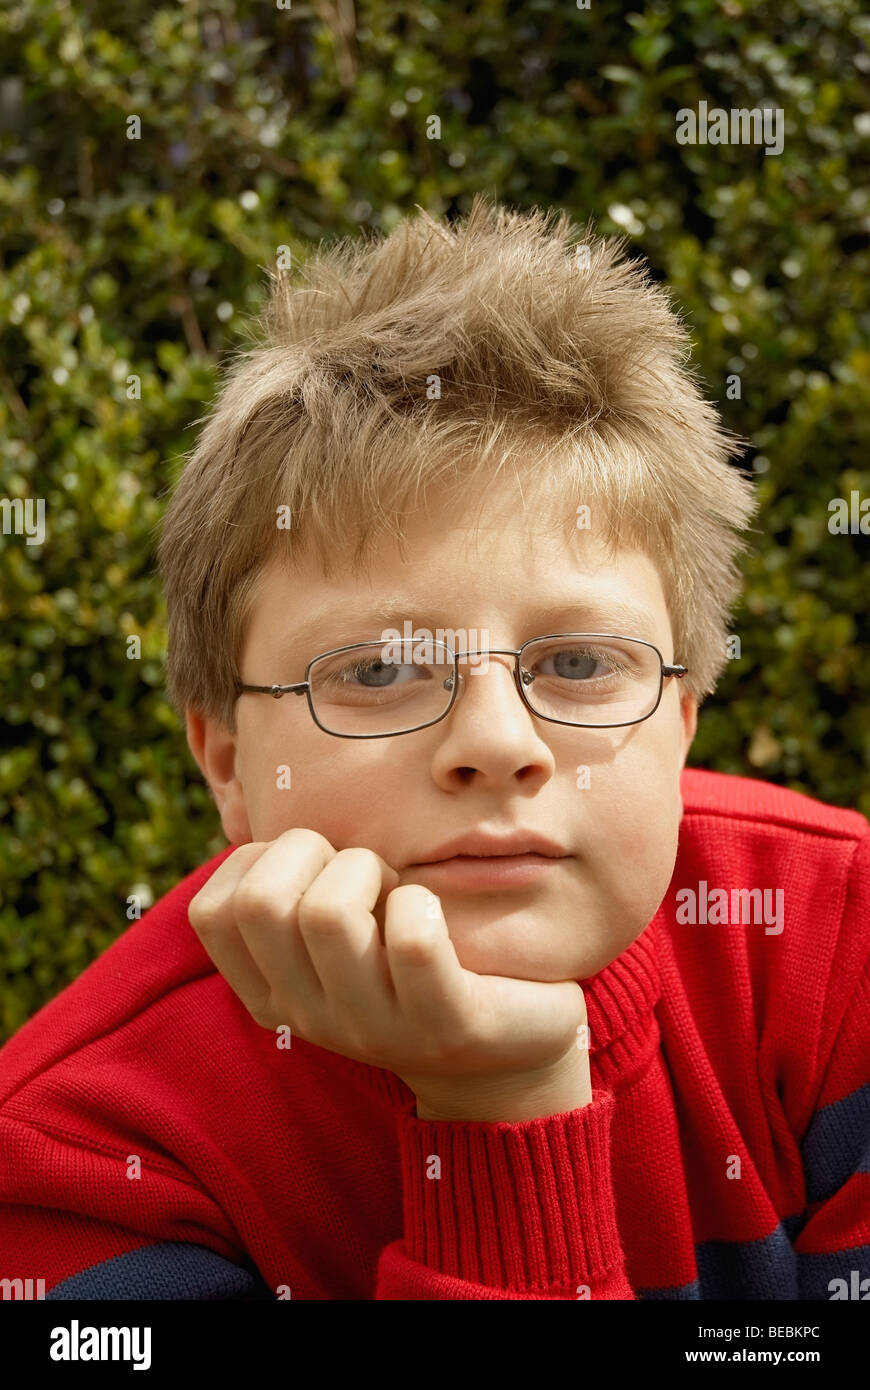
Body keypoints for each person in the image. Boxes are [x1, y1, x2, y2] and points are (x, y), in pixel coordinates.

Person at [1, 196, 867, 1300]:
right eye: (374, 671)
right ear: (225, 761)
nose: (497, 745)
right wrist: (498, 1108)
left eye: (580, 664)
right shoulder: (73, 1164)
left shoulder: (838, 942)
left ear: (683, 716)